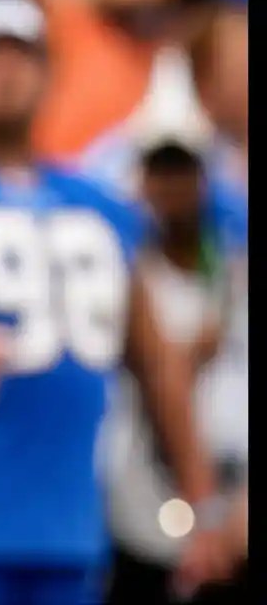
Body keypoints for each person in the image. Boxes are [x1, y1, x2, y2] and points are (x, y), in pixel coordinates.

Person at [0, 0, 232, 605]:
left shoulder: (102, 203)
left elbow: (157, 363)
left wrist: (202, 502)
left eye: (21, 53)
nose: (4, 71)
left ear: (48, 69)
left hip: (63, 527)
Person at [102, 124, 249, 605]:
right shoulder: (120, 273)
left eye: (182, 172)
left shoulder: (233, 272)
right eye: (159, 173)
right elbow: (163, 383)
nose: (171, 188)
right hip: (143, 507)